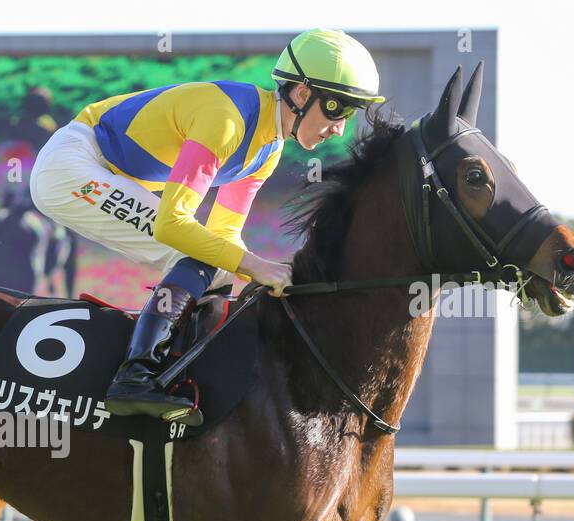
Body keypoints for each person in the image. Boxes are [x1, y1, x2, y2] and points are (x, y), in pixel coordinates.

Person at [29, 29, 385, 423]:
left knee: (214, 270)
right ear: (302, 94)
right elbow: (173, 225)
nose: (340, 127)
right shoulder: (227, 120)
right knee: (193, 252)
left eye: (349, 114)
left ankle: (175, 372)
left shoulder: (268, 149)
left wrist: (261, 269)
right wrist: (254, 265)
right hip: (72, 166)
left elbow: (223, 233)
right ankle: (134, 377)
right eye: (338, 109)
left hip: (103, 170)